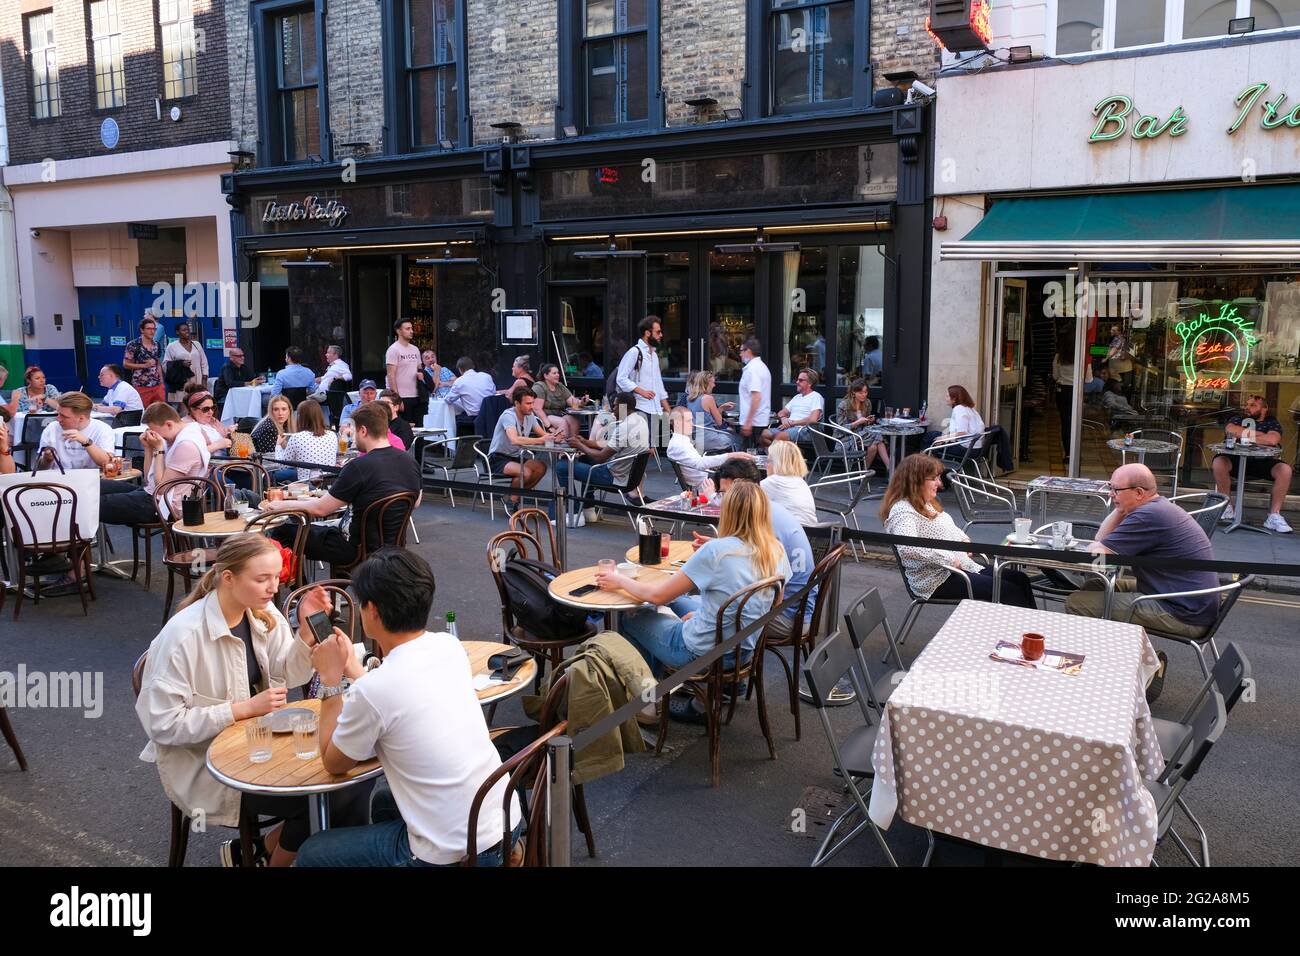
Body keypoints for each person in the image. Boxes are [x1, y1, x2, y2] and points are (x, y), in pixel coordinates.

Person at [135, 533, 371, 867]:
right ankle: (272, 855)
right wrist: (242, 709)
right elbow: (161, 724)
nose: (274, 587)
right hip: (208, 763)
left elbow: (290, 674)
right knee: (332, 795)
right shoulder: (183, 636)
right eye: (262, 579)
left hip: (260, 743)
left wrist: (304, 631)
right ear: (228, 578)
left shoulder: (261, 611)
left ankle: (263, 850)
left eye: (277, 577)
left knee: (348, 780)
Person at [295, 549, 520, 866]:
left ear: (371, 611)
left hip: (455, 852)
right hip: (503, 821)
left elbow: (334, 762)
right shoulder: (449, 646)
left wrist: (331, 681)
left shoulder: (376, 690)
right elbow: (398, 694)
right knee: (386, 803)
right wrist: (351, 668)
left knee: (312, 853)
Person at [595, 480, 790, 685]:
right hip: (743, 651)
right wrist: (706, 617)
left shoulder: (716, 552)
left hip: (699, 654)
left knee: (632, 616)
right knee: (678, 601)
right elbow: (774, 605)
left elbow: (658, 595)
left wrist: (620, 580)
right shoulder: (775, 549)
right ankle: (727, 688)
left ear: (728, 511)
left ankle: (650, 694)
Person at [1067, 463, 1221, 639]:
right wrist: (1121, 508)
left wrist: (1099, 545)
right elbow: (1100, 538)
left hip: (1182, 612)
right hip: (1182, 598)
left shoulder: (1148, 515)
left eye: (1116, 489)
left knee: (1077, 602)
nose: (1111, 494)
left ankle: (1105, 657)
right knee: (1094, 586)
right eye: (1110, 488)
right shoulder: (1155, 507)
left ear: (1139, 493)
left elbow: (1097, 557)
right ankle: (1117, 650)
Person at [263, 402, 420, 571]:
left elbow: (320, 509)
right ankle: (335, 592)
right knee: (325, 528)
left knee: (283, 531)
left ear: (363, 431)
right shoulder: (410, 461)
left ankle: (301, 593)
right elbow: (415, 502)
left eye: (353, 430)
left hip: (354, 548)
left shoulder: (359, 466)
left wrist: (282, 505)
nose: (353, 436)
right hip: (393, 546)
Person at [880, 454, 1035, 608]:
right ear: (915, 480)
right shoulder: (902, 511)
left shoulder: (924, 502)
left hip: (955, 568)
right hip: (936, 579)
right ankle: (1024, 631)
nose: (939, 483)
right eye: (934, 478)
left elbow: (944, 526)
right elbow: (908, 547)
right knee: (1009, 591)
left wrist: (962, 539)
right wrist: (948, 559)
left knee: (1020, 579)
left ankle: (1036, 629)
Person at [100, 402, 211, 526]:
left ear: (169, 424)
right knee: (98, 485)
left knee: (96, 503)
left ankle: (80, 538)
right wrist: (148, 448)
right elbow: (148, 478)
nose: (158, 436)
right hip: (152, 493)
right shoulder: (175, 436)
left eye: (156, 431)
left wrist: (159, 450)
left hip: (165, 506)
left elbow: (162, 487)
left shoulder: (186, 445)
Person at [555, 392, 650, 522]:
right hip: (629, 476)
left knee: (562, 466)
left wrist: (579, 445)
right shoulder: (640, 420)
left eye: (615, 406)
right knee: (586, 459)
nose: (613, 410)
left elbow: (600, 457)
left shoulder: (624, 427)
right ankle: (588, 509)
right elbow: (608, 446)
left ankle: (573, 513)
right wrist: (585, 442)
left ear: (623, 407)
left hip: (613, 477)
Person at [1212, 394, 1293, 532]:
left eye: (1253, 405)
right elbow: (1231, 430)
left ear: (1264, 409)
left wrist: (1243, 434)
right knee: (1219, 461)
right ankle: (1227, 507)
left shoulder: (1271, 422)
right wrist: (1261, 436)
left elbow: (1272, 440)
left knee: (1285, 470)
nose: (1247, 408)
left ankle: (1274, 516)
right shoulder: (1238, 418)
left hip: (1261, 462)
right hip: (1235, 459)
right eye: (1247, 404)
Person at [487, 385, 553, 515]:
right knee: (525, 473)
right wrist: (541, 440)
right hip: (498, 457)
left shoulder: (530, 415)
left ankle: (511, 497)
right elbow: (514, 439)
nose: (532, 406)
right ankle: (512, 501)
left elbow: (543, 435)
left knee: (541, 467)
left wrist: (554, 437)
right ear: (517, 403)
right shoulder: (508, 416)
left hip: (517, 456)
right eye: (528, 403)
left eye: (533, 403)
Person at [666, 406, 751, 492]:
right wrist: (730, 456)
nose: (692, 424)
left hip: (704, 477)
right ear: (677, 423)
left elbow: (698, 462)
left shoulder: (679, 441)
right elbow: (700, 463)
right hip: (704, 481)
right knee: (744, 474)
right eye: (688, 421)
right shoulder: (679, 444)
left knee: (739, 469)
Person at [616, 316, 671, 437]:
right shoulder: (634, 352)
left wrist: (668, 410)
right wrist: (641, 391)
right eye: (658, 332)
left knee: (651, 449)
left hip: (655, 410)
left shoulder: (654, 355)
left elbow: (658, 385)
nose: (661, 335)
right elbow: (621, 378)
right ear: (647, 333)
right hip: (640, 408)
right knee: (643, 449)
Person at [36, 392, 116, 473]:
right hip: (58, 480)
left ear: (81, 418)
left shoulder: (102, 429)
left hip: (90, 480)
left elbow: (107, 463)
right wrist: (47, 459)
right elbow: (39, 469)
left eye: (63, 416)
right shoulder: (52, 428)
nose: (58, 419)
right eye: (58, 413)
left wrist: (86, 442)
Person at [835, 377, 888, 473]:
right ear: (853, 392)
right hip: (846, 438)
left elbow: (865, 426)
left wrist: (869, 421)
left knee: (873, 447)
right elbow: (840, 429)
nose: (864, 395)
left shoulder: (867, 403)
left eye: (865, 392)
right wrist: (857, 422)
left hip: (861, 436)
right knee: (877, 434)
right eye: (861, 393)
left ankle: (863, 473)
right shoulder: (843, 405)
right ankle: (891, 468)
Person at [760, 440, 818, 525]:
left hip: (788, 532)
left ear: (777, 463)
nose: (765, 465)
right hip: (810, 531)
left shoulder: (773, 482)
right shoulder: (800, 481)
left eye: (768, 461)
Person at [762, 368, 824, 446]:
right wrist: (784, 419)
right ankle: (783, 453)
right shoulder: (797, 397)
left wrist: (792, 423)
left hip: (806, 430)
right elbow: (781, 413)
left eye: (801, 380)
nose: (797, 382)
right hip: (789, 428)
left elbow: (813, 420)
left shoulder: (816, 397)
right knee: (764, 434)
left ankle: (785, 454)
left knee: (779, 437)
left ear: (810, 383)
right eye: (797, 380)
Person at [281, 398, 338, 482]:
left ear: (301, 417)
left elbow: (283, 466)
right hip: (329, 485)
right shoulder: (332, 435)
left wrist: (279, 446)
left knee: (274, 475)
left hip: (306, 486)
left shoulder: (297, 437)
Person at [1052, 344, 1092, 461]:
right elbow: (1089, 379)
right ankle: (1076, 452)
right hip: (1076, 391)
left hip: (1062, 391)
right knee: (1077, 422)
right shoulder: (1083, 357)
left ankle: (1068, 453)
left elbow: (1055, 376)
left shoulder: (1059, 357)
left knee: (1065, 422)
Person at [532, 363, 589, 439]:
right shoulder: (539, 387)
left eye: (558, 373)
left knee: (574, 421)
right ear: (546, 376)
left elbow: (573, 404)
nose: (557, 375)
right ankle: (561, 448)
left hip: (558, 415)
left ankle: (572, 445)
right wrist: (549, 426)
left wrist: (582, 402)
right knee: (562, 422)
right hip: (543, 417)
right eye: (554, 373)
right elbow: (537, 409)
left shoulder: (560, 386)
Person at [923, 385, 985, 451]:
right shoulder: (970, 408)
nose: (945, 398)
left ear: (954, 399)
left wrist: (944, 438)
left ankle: (923, 460)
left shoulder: (959, 409)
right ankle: (931, 458)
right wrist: (945, 437)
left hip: (967, 448)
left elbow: (962, 433)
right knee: (934, 435)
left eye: (947, 396)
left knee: (929, 437)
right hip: (974, 447)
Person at [124, 314, 166, 407]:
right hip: (141, 385)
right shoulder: (133, 345)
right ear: (142, 330)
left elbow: (158, 364)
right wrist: (144, 366)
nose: (152, 331)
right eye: (149, 329)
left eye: (154, 329)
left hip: (157, 385)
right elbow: (126, 364)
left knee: (159, 412)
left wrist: (162, 383)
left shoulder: (157, 345)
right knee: (144, 413)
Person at [385, 319, 422, 424]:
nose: (411, 331)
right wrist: (397, 399)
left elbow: (419, 369)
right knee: (405, 429)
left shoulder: (415, 349)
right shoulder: (393, 349)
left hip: (417, 395)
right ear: (399, 331)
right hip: (402, 397)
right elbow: (391, 375)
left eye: (412, 328)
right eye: (408, 329)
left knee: (419, 429)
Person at [737, 337, 771, 447]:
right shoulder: (761, 366)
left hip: (754, 422)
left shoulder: (752, 370)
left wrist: (748, 421)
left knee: (748, 457)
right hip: (759, 420)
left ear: (749, 351)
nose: (740, 354)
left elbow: (756, 396)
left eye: (741, 351)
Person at [163, 322, 209, 403]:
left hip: (197, 378)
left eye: (188, 329)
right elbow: (165, 365)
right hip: (182, 380)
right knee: (183, 404)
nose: (187, 331)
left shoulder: (196, 344)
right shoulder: (172, 346)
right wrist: (180, 364)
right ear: (177, 332)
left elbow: (204, 362)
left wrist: (204, 379)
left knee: (197, 402)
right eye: (184, 330)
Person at [182, 388, 233, 455]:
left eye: (213, 408)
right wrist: (217, 445)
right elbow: (192, 454)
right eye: (206, 409)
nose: (211, 412)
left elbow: (222, 437)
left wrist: (228, 432)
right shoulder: (187, 426)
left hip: (225, 460)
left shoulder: (213, 421)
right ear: (193, 409)